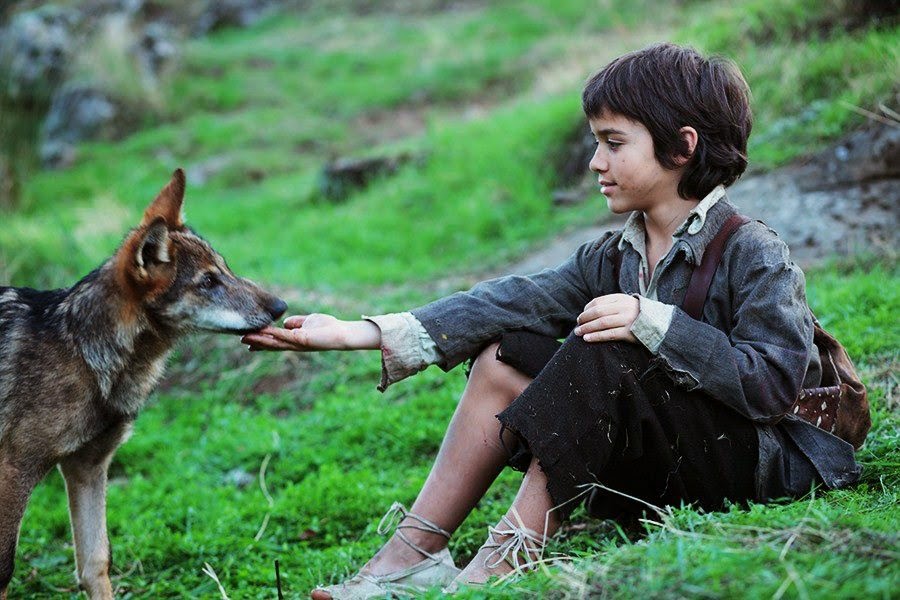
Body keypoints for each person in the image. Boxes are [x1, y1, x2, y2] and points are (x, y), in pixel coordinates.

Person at [241, 43, 861, 598]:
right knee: (507, 350)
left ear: (683, 146)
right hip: (672, 469)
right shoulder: (615, 254)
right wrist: (356, 332)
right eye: (597, 142)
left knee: (604, 347)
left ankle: (500, 566)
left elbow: (775, 386)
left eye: (614, 143)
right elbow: (513, 299)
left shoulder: (754, 251)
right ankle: (414, 555)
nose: (596, 161)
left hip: (762, 469)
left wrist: (656, 322)